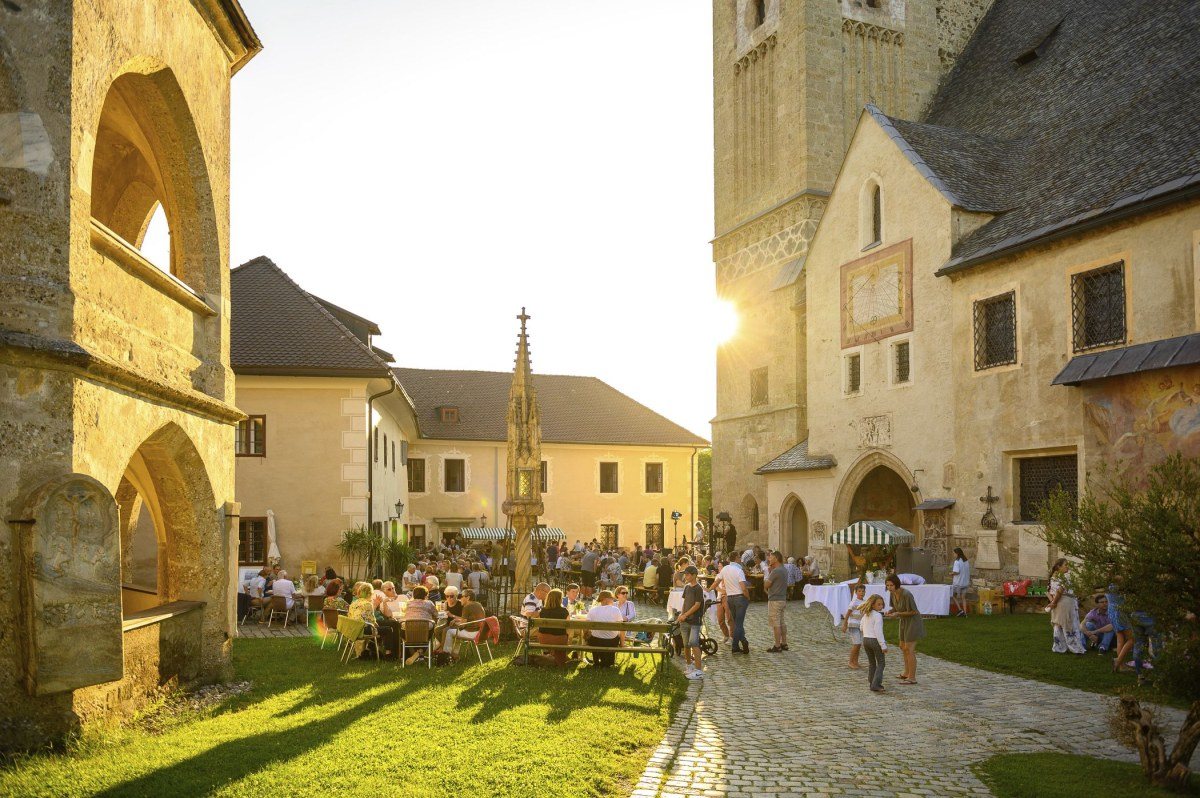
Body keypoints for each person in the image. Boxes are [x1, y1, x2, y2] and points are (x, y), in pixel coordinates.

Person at [885, 573, 925, 683]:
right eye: (887, 585)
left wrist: (897, 614)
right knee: (902, 646)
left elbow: (913, 611)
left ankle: (912, 677)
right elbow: (895, 607)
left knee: (909, 649)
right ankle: (906, 673)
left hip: (913, 622)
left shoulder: (907, 594)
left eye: (891, 585)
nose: (889, 588)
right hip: (903, 621)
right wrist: (891, 611)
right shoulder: (892, 594)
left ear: (896, 584)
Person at [1048, 558, 1085, 655]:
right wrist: (1054, 602)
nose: (1067, 566)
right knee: (1069, 625)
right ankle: (1075, 648)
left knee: (1059, 624)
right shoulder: (1065, 576)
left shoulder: (1054, 577)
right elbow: (1059, 590)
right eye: (1065, 565)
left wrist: (1053, 602)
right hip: (1064, 602)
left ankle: (1060, 647)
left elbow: (1052, 592)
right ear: (1058, 567)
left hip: (1060, 602)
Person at [677, 566, 705, 679]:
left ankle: (699, 670)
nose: (686, 576)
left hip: (694, 620)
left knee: (694, 643)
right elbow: (685, 603)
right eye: (685, 574)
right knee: (686, 645)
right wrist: (681, 614)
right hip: (685, 620)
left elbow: (697, 605)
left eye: (688, 574)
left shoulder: (698, 588)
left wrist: (685, 615)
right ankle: (689, 666)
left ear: (694, 575)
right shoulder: (687, 587)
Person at [585, 590, 625, 667]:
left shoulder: (593, 610)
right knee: (615, 635)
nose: (613, 600)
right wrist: (622, 644)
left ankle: (596, 660)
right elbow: (621, 627)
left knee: (593, 636)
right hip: (611, 641)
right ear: (606, 599)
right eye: (612, 598)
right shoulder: (615, 610)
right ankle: (608, 661)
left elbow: (586, 627)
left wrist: (586, 638)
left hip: (596, 641)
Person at [532, 588, 570, 667]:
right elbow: (568, 626)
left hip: (543, 639)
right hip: (559, 639)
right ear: (560, 599)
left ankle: (552, 658)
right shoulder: (564, 611)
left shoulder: (542, 611)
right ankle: (561, 660)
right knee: (569, 635)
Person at [719, 555, 750, 654]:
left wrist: (710, 589)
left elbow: (716, 581)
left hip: (730, 598)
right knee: (739, 624)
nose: (740, 559)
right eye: (739, 558)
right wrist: (748, 597)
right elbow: (743, 587)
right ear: (736, 559)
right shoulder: (738, 570)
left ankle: (743, 641)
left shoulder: (725, 569)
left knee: (737, 623)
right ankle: (735, 646)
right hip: (739, 598)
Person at [402, 585, 439, 664]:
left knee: (406, 631)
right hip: (424, 628)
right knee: (429, 630)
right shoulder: (429, 603)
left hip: (409, 628)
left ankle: (417, 653)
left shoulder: (408, 603)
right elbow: (436, 614)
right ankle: (420, 651)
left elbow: (404, 612)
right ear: (426, 595)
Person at [860, 594, 888, 692]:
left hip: (865, 640)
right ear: (872, 605)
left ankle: (871, 681)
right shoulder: (878, 616)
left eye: (882, 604)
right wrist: (883, 645)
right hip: (874, 640)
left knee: (872, 663)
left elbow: (861, 627)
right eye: (879, 605)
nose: (881, 607)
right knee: (881, 663)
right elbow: (878, 631)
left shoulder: (866, 614)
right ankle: (876, 684)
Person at [764, 550, 789, 653]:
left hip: (775, 600)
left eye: (771, 557)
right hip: (782, 599)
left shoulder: (775, 571)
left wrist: (768, 573)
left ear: (776, 558)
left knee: (776, 623)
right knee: (782, 622)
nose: (769, 559)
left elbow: (766, 585)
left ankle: (777, 645)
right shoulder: (784, 569)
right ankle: (784, 643)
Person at [842, 582, 867, 669]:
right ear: (856, 592)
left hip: (860, 626)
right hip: (853, 625)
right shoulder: (854, 602)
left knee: (859, 644)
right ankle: (850, 662)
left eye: (863, 591)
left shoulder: (864, 602)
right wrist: (845, 624)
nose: (861, 593)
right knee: (856, 643)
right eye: (859, 591)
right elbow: (848, 613)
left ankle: (856, 662)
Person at [950, 547, 971, 617]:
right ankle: (965, 613)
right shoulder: (966, 561)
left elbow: (956, 572)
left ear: (957, 553)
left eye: (954, 553)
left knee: (953, 595)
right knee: (963, 597)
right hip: (965, 582)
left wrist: (951, 573)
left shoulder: (957, 561)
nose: (954, 555)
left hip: (958, 582)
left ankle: (960, 610)